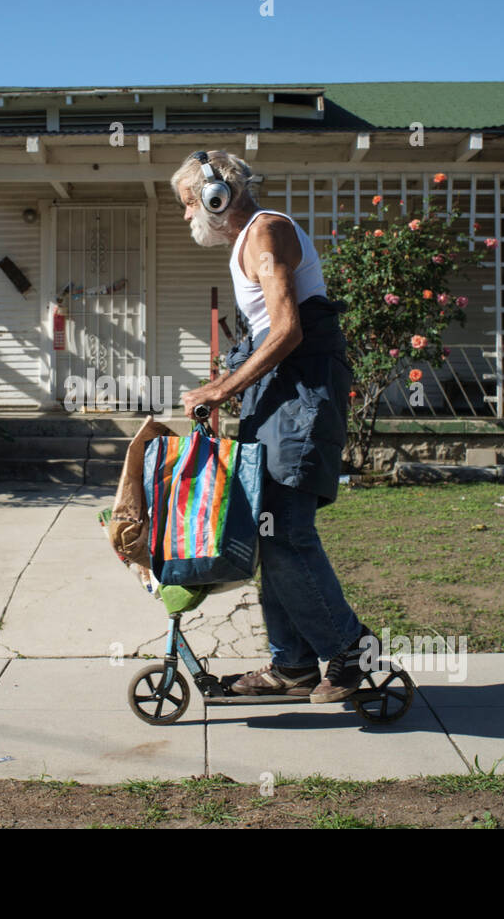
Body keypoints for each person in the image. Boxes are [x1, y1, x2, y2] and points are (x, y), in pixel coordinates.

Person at [174, 150, 375, 703]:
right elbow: (267, 335)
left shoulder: (266, 233)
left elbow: (288, 330)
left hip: (302, 390)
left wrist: (224, 387)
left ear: (218, 198)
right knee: (265, 530)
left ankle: (351, 649)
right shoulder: (249, 243)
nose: (186, 214)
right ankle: (293, 666)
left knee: (285, 528)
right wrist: (226, 389)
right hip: (279, 392)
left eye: (190, 202)